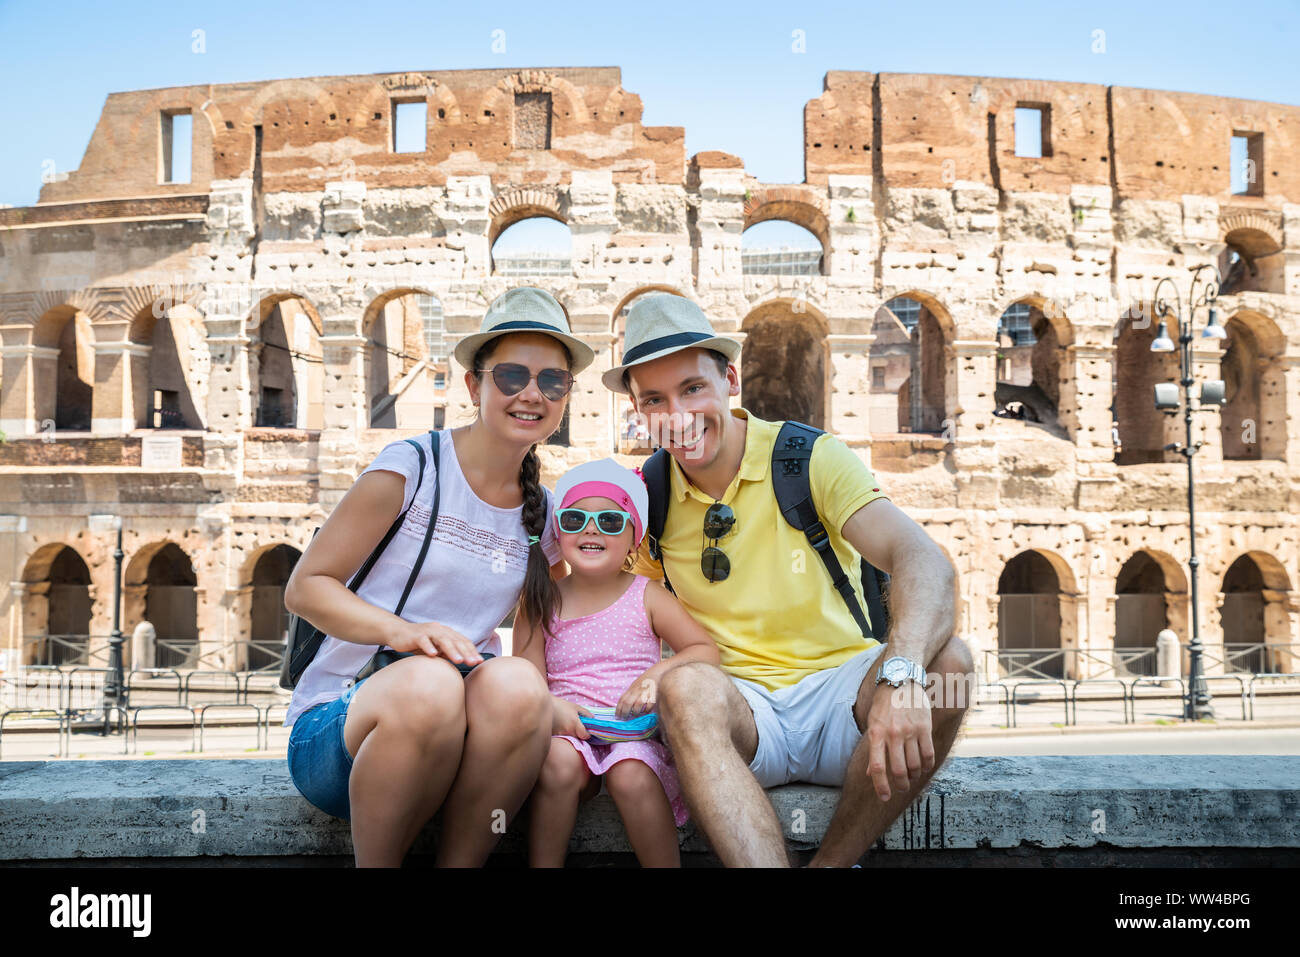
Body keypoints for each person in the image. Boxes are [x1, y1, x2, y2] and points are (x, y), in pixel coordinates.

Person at [603, 293, 974, 868]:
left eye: (693, 388)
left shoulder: (807, 457)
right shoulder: (645, 494)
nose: (676, 414)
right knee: (685, 688)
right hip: (740, 711)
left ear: (730, 379)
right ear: (637, 408)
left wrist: (900, 674)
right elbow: (596, 588)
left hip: (844, 693)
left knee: (952, 667)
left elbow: (922, 559)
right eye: (654, 399)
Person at [282, 286, 593, 867]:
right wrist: (403, 631)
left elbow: (531, 642)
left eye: (552, 382)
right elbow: (306, 586)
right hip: (342, 727)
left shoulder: (544, 512)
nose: (532, 394)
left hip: (460, 739)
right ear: (474, 386)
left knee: (522, 687)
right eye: (512, 377)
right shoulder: (411, 467)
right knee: (430, 683)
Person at [515, 459, 718, 867]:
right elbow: (524, 677)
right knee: (557, 763)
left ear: (634, 540)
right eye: (575, 519)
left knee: (630, 773)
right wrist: (550, 707)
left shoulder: (650, 595)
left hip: (635, 733)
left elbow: (703, 650)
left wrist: (656, 676)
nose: (591, 529)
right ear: (558, 531)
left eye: (609, 520)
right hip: (569, 729)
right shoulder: (542, 600)